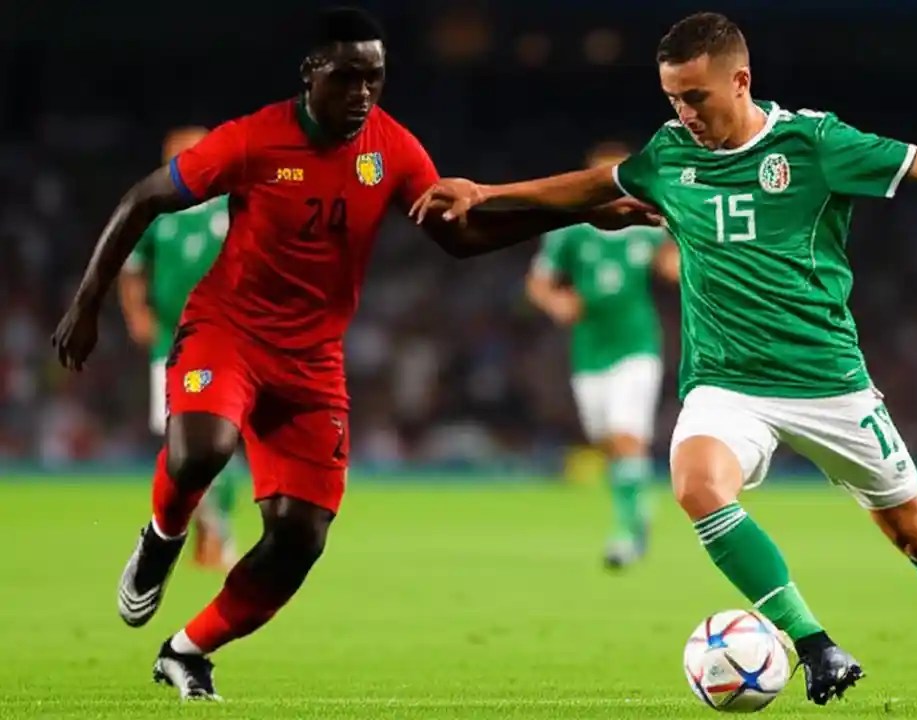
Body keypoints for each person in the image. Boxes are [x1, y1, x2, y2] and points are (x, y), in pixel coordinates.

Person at [412, 11, 917, 709]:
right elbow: (595, 185)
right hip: (727, 385)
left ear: (740, 81)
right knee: (695, 485)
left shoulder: (813, 143)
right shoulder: (668, 154)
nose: (683, 113)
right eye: (672, 99)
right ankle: (814, 644)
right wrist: (486, 194)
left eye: (695, 97)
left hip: (829, 382)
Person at [51, 7, 657, 701]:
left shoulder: (392, 150)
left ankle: (188, 650)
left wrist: (577, 208)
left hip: (312, 361)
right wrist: (86, 303)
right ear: (312, 75)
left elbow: (458, 237)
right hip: (229, 329)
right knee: (201, 450)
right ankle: (161, 540)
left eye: (375, 77)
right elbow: (143, 198)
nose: (363, 93)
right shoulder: (250, 140)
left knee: (299, 537)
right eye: (347, 77)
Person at [526, 141, 680, 570]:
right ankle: (639, 503)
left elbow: (672, 263)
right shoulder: (570, 229)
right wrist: (557, 303)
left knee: (628, 435)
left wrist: (688, 267)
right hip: (590, 351)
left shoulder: (647, 225)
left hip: (637, 345)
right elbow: (539, 283)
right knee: (608, 441)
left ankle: (628, 534)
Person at [119, 126, 238, 571]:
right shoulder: (157, 211)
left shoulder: (231, 205)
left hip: (222, 342)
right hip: (168, 344)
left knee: (204, 439)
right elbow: (130, 268)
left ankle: (218, 536)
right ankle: (208, 531)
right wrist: (136, 314)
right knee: (180, 441)